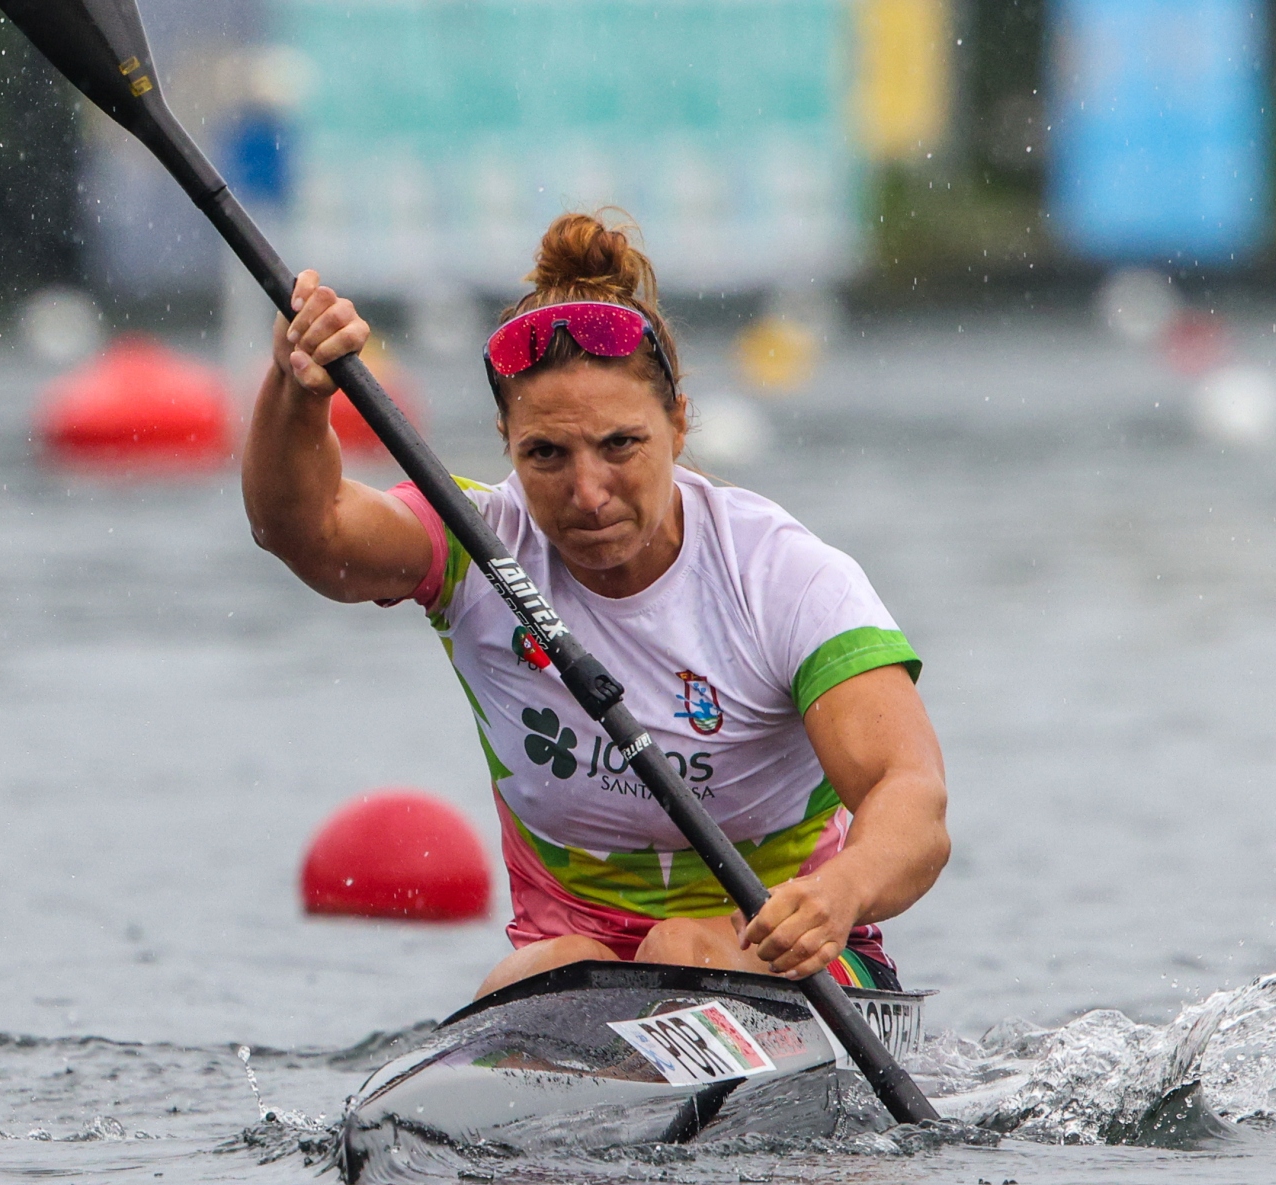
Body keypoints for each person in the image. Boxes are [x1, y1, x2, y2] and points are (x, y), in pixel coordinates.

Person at [244, 212, 949, 998]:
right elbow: (302, 530)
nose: (587, 492)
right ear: (506, 440)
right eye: (546, 454)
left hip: (807, 967)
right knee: (539, 972)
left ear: (678, 423)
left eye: (620, 445)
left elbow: (912, 796)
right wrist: (295, 389)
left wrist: (839, 892)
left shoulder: (784, 576)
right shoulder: (478, 544)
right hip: (577, 972)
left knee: (680, 947)